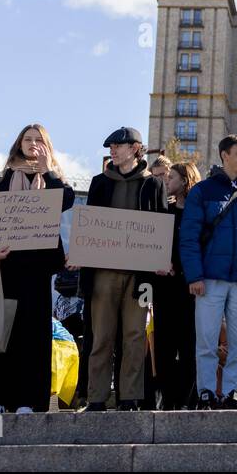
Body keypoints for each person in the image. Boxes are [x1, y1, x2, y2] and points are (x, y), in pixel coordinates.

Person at [0, 125, 74, 414]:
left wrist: (46, 170)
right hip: (6, 268)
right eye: (27, 139)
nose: (32, 144)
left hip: (36, 270)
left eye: (38, 140)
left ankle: (27, 400)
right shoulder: (2, 178)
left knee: (32, 337)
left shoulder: (53, 178)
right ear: (19, 144)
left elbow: (65, 200)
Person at [179, 134, 237, 409]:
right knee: (206, 341)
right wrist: (194, 276)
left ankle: (232, 393)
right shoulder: (202, 192)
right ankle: (206, 391)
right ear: (224, 156)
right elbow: (189, 237)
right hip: (209, 281)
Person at [80, 126, 166, 412]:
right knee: (101, 337)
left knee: (135, 337)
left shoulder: (153, 184)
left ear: (135, 148)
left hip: (140, 278)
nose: (113, 151)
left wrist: (161, 262)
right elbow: (89, 226)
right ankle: (96, 397)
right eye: (111, 147)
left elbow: (162, 227)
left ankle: (130, 397)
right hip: (103, 274)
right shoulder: (99, 183)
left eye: (118, 145)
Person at [153, 161, 200, 409]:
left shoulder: (198, 214)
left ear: (184, 181)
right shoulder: (164, 211)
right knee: (164, 346)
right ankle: (168, 399)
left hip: (190, 289)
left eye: (171, 177)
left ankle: (186, 400)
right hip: (165, 288)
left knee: (188, 346)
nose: (166, 181)